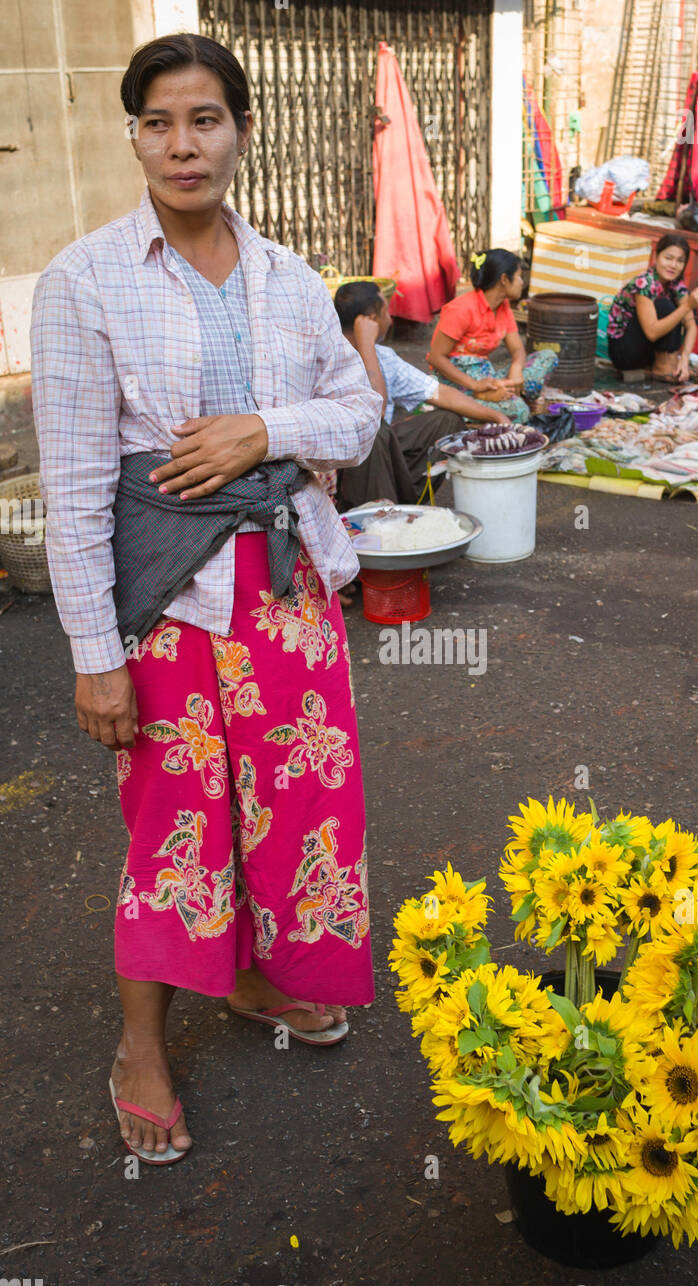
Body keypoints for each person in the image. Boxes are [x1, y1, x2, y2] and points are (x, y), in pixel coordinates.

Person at [30, 34, 382, 1165]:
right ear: (132, 134)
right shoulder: (85, 280)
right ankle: (141, 1045)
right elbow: (79, 483)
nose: (184, 145)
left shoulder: (288, 279)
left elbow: (358, 413)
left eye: (206, 119)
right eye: (159, 123)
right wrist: (94, 650)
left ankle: (263, 985)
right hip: (170, 607)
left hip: (287, 598)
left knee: (297, 812)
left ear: (240, 128)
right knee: (175, 829)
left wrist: (260, 433)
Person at [332, 280, 509, 512]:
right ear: (371, 320)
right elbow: (375, 413)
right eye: (386, 312)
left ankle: (405, 504)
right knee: (375, 433)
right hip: (342, 463)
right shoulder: (331, 356)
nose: (391, 320)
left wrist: (495, 417)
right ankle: (378, 516)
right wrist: (365, 345)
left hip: (383, 449)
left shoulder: (384, 356)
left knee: (446, 420)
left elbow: (437, 392)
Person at [426, 248, 558, 422]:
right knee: (519, 412)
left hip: (487, 378)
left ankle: (499, 397)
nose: (522, 282)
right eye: (519, 276)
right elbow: (436, 358)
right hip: (456, 383)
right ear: (504, 279)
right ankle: (460, 404)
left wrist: (516, 370)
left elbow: (517, 348)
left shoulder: (503, 308)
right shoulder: (461, 309)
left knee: (547, 357)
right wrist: (475, 385)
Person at [607, 233, 698, 381]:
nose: (673, 265)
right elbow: (652, 332)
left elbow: (691, 324)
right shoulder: (644, 283)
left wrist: (685, 358)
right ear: (656, 257)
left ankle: (667, 362)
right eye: (668, 258)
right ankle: (661, 367)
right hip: (624, 352)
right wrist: (686, 306)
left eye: (680, 261)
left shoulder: (676, 284)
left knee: (687, 308)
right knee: (667, 306)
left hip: (645, 348)